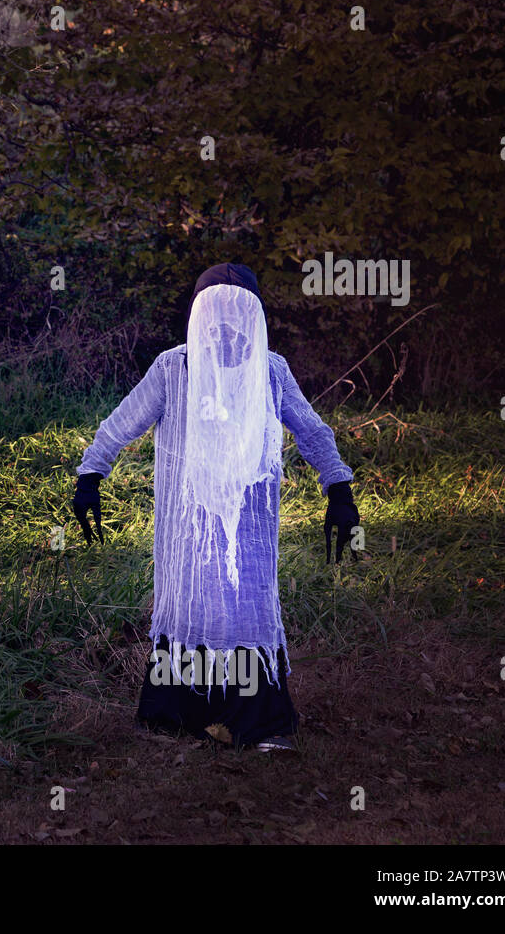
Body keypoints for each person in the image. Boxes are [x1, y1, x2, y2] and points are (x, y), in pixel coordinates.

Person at [71, 263, 359, 752]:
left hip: (250, 521)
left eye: (237, 314)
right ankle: (181, 714)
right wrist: (90, 474)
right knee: (189, 606)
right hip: (189, 523)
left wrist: (339, 488)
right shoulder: (173, 369)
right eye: (216, 314)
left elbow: (312, 431)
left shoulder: (270, 371)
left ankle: (255, 722)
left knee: (245, 608)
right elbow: (121, 423)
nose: (225, 328)